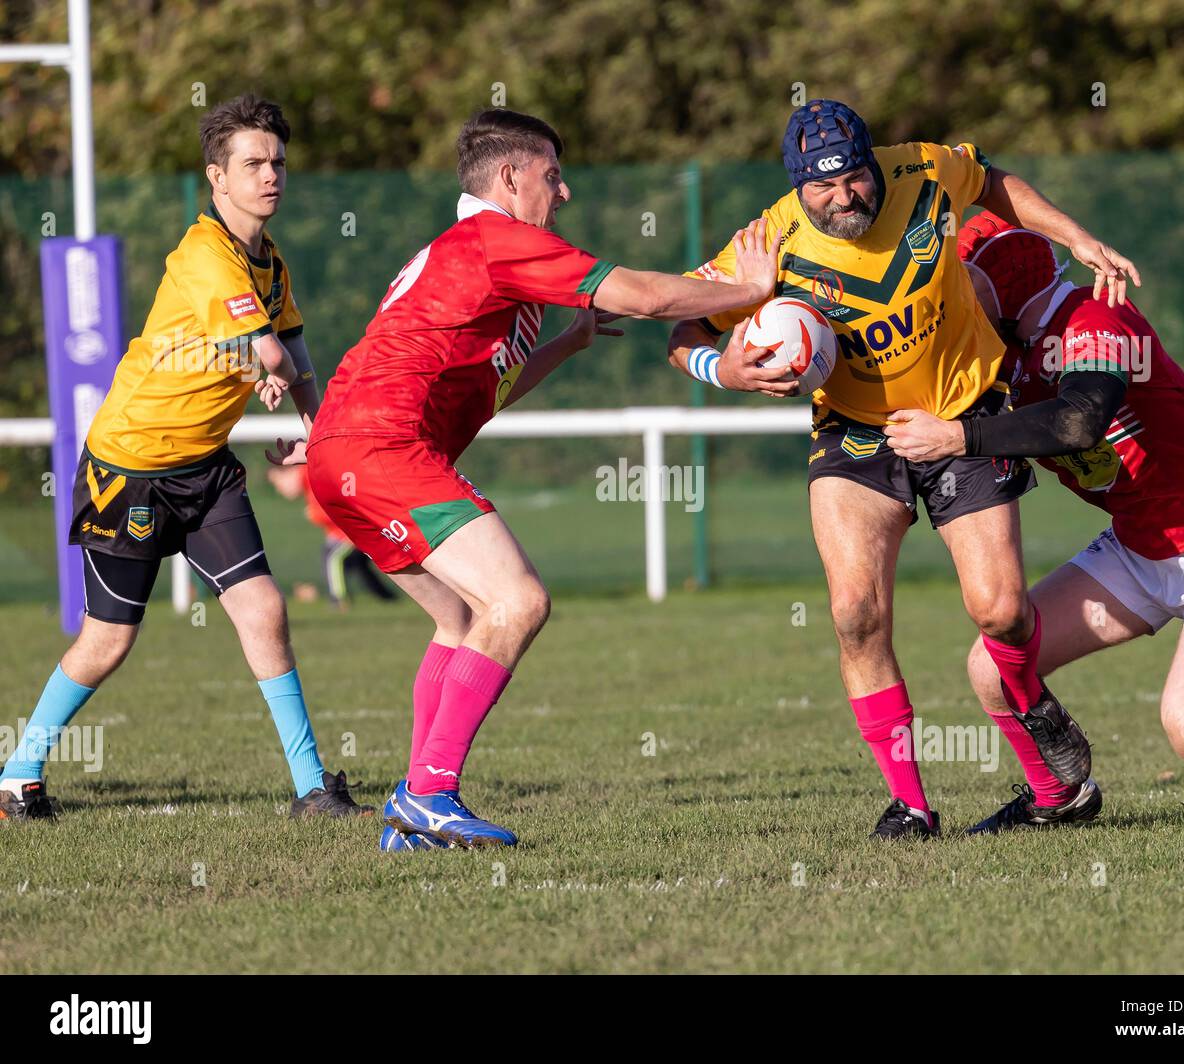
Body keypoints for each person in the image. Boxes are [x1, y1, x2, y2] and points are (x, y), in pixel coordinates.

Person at [307, 108, 781, 851]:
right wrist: (748, 290)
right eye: (552, 176)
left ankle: (412, 807)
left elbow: (490, 388)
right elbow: (648, 295)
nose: (562, 194)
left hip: (343, 454)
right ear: (510, 177)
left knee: (460, 621)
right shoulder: (498, 241)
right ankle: (431, 793)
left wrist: (569, 343)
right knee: (519, 600)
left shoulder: (461, 252)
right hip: (382, 447)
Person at [667, 99, 1139, 839]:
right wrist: (720, 367)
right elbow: (684, 323)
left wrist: (1077, 237)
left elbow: (994, 185)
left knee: (1002, 613)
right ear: (797, 185)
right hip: (856, 437)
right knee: (855, 613)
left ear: (870, 161)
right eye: (822, 188)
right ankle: (911, 806)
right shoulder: (767, 241)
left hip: (965, 417)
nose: (844, 197)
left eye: (853, 178)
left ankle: (1048, 763)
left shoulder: (921, 170)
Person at [0, 95, 369, 822]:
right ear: (216, 177)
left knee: (263, 609)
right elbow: (264, 351)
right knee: (108, 641)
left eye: (278, 163)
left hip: (204, 466)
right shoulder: (206, 253)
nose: (271, 176)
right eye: (253, 164)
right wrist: (269, 372)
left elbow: (291, 349)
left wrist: (313, 424)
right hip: (128, 467)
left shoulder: (271, 262)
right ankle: (17, 776)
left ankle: (311, 791)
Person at [883, 210, 1184, 832]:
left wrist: (956, 435)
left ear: (1005, 272)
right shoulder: (998, 356)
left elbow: (1079, 421)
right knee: (992, 668)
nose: (948, 295)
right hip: (1134, 552)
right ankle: (1060, 792)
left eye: (962, 278)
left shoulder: (1093, 317)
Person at [266, 464, 396, 607]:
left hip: (360, 527)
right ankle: (388, 598)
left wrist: (315, 514)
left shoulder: (313, 475)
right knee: (357, 563)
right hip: (350, 530)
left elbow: (336, 504)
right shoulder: (309, 481)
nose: (279, 490)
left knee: (332, 557)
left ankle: (339, 601)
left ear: (290, 471)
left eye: (277, 482)